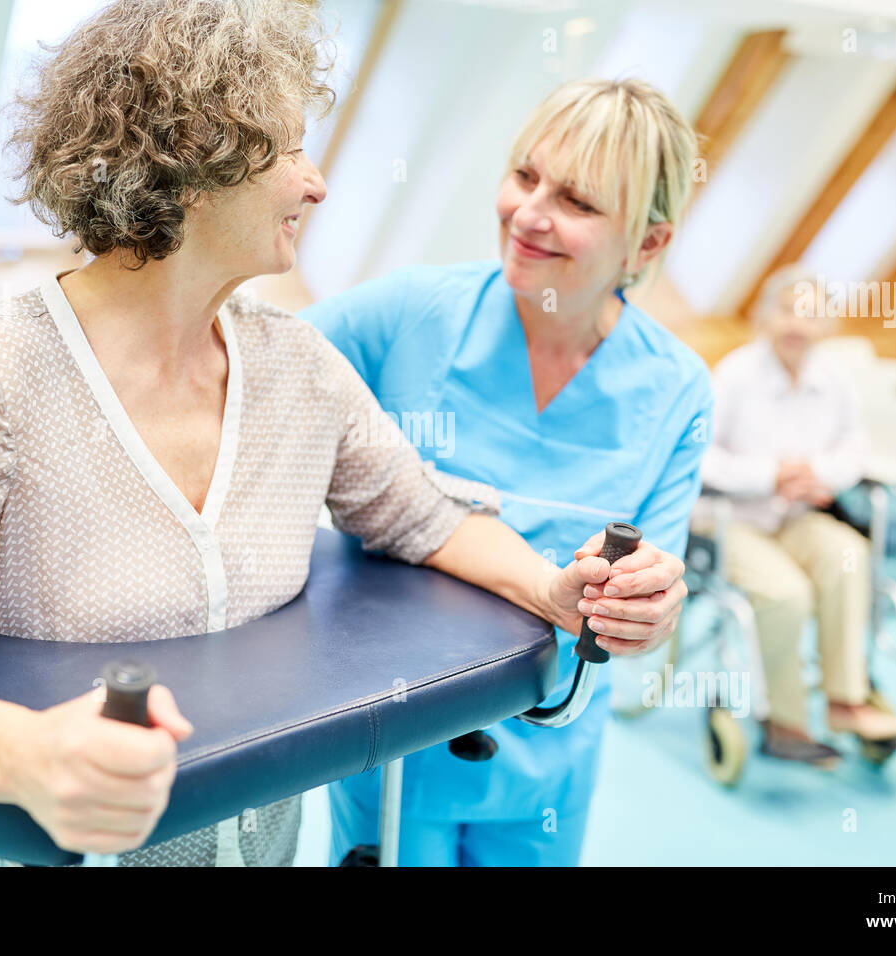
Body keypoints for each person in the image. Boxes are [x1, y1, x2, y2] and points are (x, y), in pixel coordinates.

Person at [0, 0, 680, 867]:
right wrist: (22, 758)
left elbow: (421, 516)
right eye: (290, 150)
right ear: (195, 160)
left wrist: (558, 591)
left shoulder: (300, 367)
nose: (316, 185)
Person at [299, 77, 712, 866]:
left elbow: (654, 600)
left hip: (551, 752)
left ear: (648, 244)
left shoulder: (676, 387)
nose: (528, 213)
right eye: (525, 176)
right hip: (397, 745)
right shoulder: (408, 314)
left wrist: (650, 610)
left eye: (578, 203)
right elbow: (244, 371)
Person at [700, 264, 896, 769]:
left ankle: (845, 698)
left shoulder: (834, 377)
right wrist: (770, 475)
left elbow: (855, 445)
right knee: (786, 592)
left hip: (796, 515)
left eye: (810, 315)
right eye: (787, 310)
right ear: (765, 315)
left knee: (849, 556)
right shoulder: (734, 374)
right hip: (732, 518)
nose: (797, 324)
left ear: (827, 325)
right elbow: (700, 457)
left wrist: (821, 476)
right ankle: (783, 719)